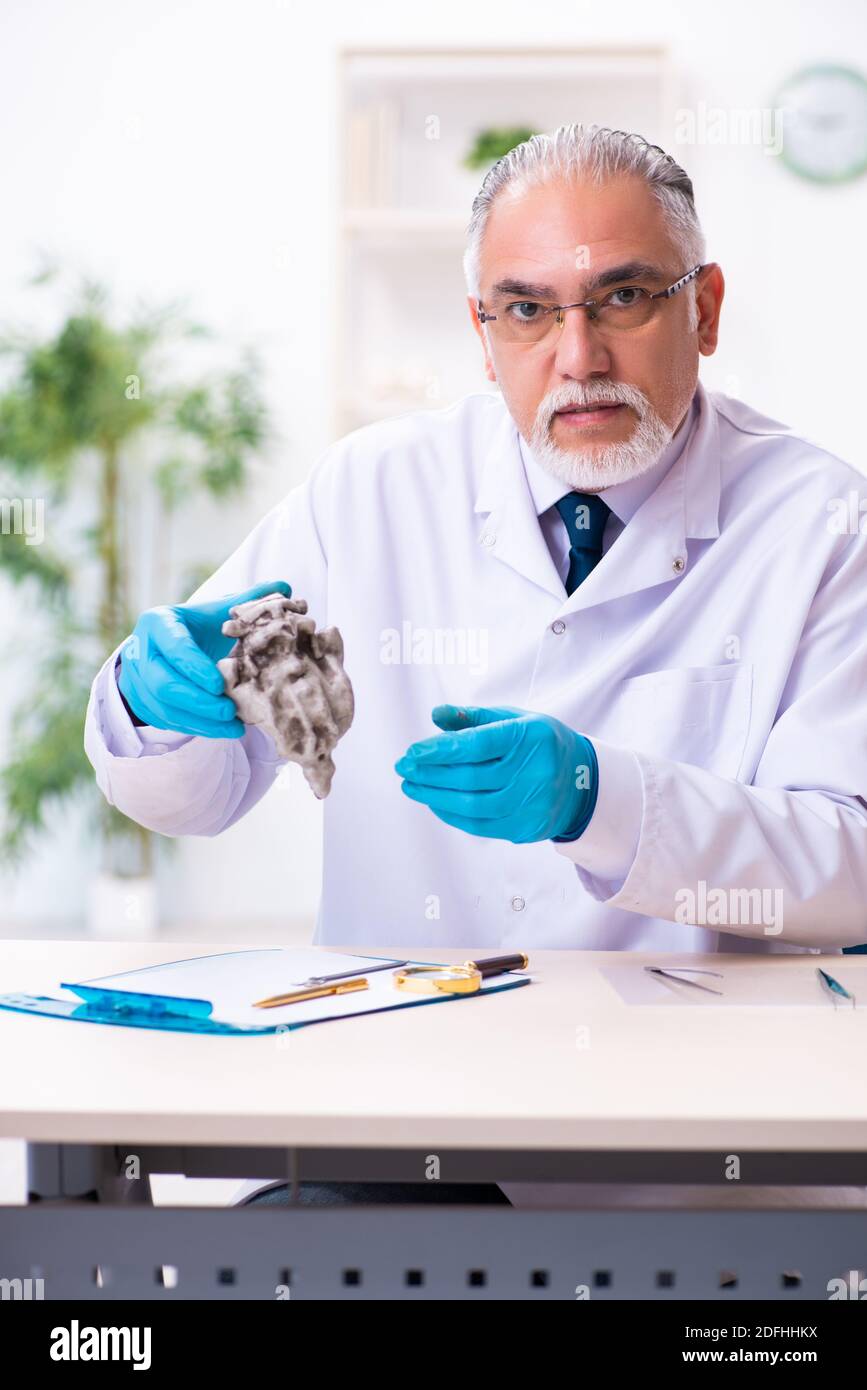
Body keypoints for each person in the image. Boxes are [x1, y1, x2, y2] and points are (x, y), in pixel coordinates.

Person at [84, 124, 867, 1206]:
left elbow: (852, 863)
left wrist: (607, 796)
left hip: (698, 1156)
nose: (578, 355)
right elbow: (195, 796)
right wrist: (148, 696)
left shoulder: (822, 522)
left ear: (707, 307)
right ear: (482, 334)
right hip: (398, 1113)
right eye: (528, 308)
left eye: (625, 296)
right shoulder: (368, 490)